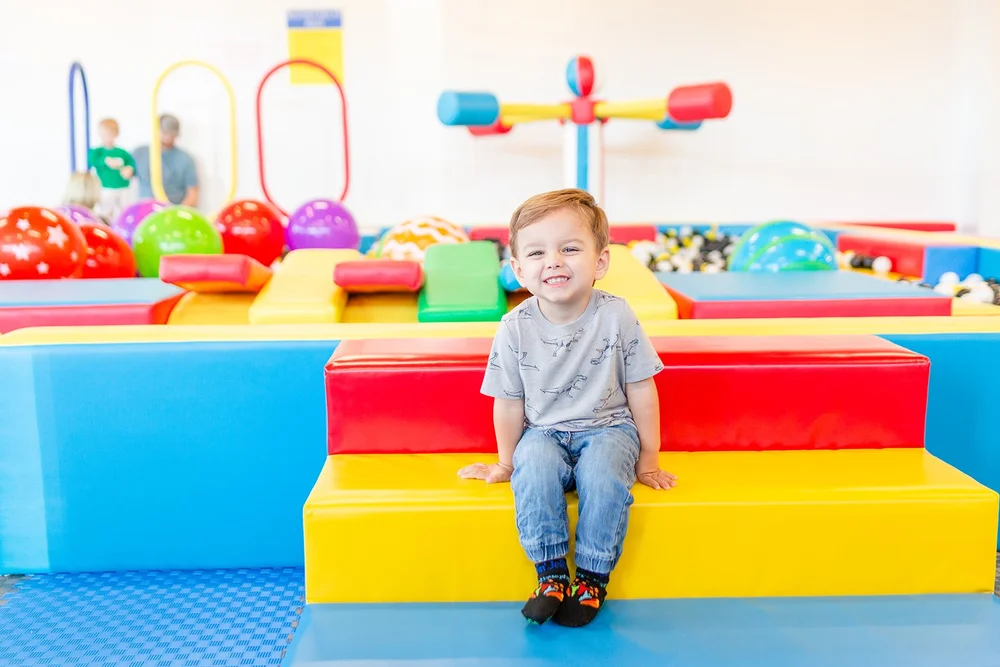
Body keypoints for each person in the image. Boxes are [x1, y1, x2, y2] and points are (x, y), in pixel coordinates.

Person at [458, 188, 677, 628]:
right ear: (518, 269)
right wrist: (505, 461)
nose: (554, 261)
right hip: (544, 431)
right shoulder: (513, 327)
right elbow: (509, 400)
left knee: (602, 475)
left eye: (570, 248)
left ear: (600, 261)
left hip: (609, 426)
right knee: (532, 466)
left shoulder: (616, 315)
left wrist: (648, 457)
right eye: (537, 252)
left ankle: (593, 578)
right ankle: (551, 574)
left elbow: (641, 387)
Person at [133, 114, 199, 207]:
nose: (168, 137)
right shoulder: (139, 153)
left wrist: (178, 214)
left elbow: (193, 193)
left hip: (171, 214)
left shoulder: (185, 159)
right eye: (165, 133)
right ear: (156, 130)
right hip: (144, 213)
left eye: (172, 134)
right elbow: (124, 175)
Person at [87, 118, 135, 221]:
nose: (106, 137)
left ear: (116, 134)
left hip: (123, 188)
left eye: (109, 134)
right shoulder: (97, 152)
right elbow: (92, 161)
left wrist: (130, 169)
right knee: (106, 212)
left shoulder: (122, 152)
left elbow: (131, 163)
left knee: (125, 210)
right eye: (103, 134)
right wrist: (105, 161)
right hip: (106, 188)